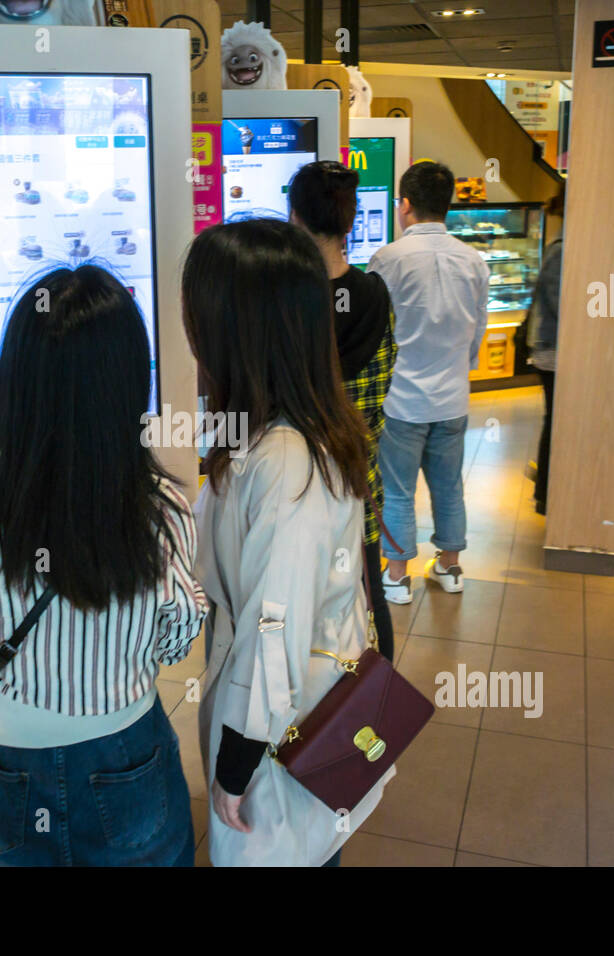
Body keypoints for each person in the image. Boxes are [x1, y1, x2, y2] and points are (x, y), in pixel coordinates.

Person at [0, 265, 207, 866]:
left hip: (4, 757)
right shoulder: (160, 507)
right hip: (127, 752)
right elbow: (176, 639)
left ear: (16, 375)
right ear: (128, 381)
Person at [186, 219, 381, 867]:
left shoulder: (287, 462)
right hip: (306, 711)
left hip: (285, 729)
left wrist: (236, 769)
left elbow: (275, 631)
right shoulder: (291, 429)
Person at [287, 160, 397, 661]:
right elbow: (382, 380)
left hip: (293, 495)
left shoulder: (286, 305)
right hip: (358, 484)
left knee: (299, 619)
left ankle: (301, 732)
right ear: (350, 220)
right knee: (368, 603)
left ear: (295, 218)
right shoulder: (375, 296)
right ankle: (374, 719)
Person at [368, 161, 488, 601]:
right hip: (453, 396)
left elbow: (375, 331)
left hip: (401, 398)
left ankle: (398, 576)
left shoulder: (387, 259)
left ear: (405, 205)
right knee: (449, 485)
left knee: (397, 489)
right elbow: (478, 328)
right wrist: (460, 366)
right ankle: (450, 568)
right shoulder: (473, 260)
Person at [526, 185, 565, 516]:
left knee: (557, 421)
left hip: (554, 351)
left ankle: (548, 489)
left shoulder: (563, 249)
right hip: (555, 353)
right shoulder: (562, 251)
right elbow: (562, 306)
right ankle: (546, 493)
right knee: (558, 422)